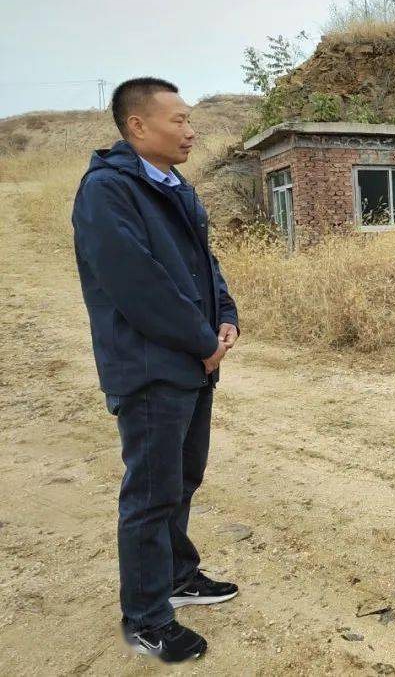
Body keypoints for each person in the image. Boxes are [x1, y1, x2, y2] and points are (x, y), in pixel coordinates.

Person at [72, 78, 241, 663]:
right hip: (150, 368)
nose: (191, 130)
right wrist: (201, 340)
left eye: (190, 119)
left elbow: (205, 265)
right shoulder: (108, 192)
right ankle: (146, 617)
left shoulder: (174, 186)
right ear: (138, 126)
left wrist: (225, 317)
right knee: (150, 493)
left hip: (192, 362)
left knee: (181, 479)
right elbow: (138, 284)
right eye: (179, 120)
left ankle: (177, 575)